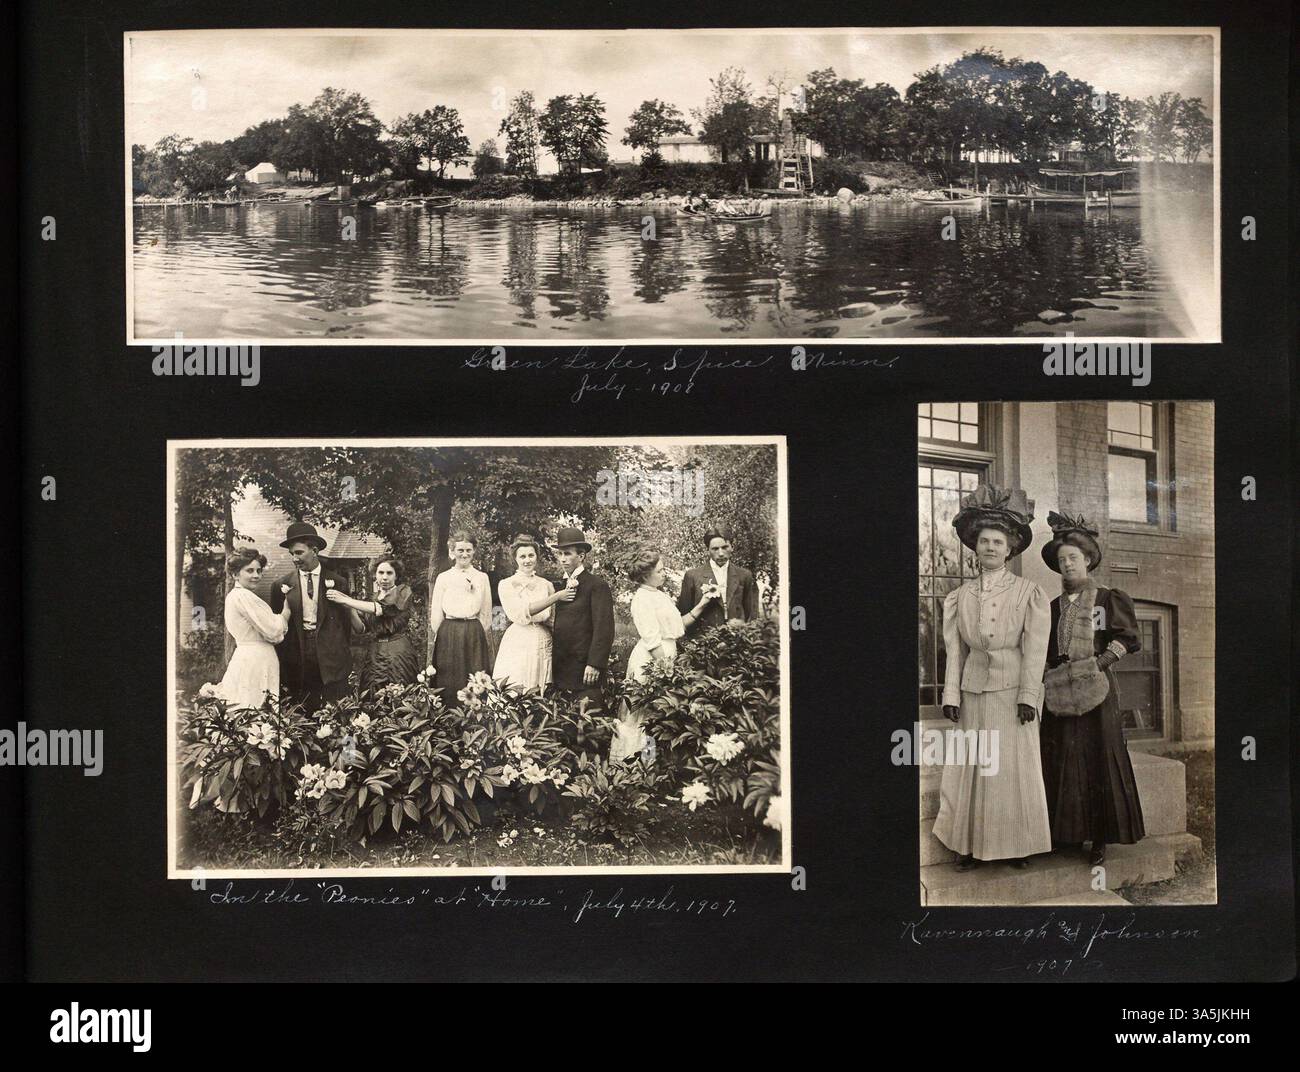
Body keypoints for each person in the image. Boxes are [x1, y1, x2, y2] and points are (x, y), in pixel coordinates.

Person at [932, 485, 1053, 871]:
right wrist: (951, 694)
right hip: (973, 690)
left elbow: (1035, 651)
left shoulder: (1028, 593)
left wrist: (1028, 697)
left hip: (1012, 690)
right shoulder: (959, 597)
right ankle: (967, 845)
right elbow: (956, 650)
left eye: (997, 542)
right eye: (984, 541)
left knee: (1010, 767)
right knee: (974, 766)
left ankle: (1016, 846)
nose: (990, 548)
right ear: (975, 546)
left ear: (1010, 548)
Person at [1038, 512, 1146, 866]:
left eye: (1073, 557)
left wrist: (1096, 666)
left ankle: (1100, 838)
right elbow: (1047, 651)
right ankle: (1068, 834)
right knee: (1063, 758)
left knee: (1097, 759)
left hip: (1097, 691)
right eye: (1062, 560)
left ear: (1086, 559)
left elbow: (1127, 639)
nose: (1068, 564)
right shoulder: (1052, 608)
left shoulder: (1105, 598)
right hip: (1060, 692)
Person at [611, 548, 721, 763]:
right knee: (641, 718)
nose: (664, 574)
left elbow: (678, 625)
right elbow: (652, 641)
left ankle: (650, 767)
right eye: (659, 571)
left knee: (655, 719)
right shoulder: (641, 599)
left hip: (665, 658)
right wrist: (669, 675)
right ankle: (631, 770)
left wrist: (704, 602)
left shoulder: (659, 595)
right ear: (645, 574)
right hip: (651, 662)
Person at [269, 523, 354, 713]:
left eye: (299, 552)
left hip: (330, 653)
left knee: (334, 707)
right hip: (297, 654)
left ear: (314, 550)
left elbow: (345, 626)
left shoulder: (338, 582)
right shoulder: (280, 586)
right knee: (303, 706)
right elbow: (278, 626)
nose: (294, 558)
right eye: (292, 554)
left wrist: (337, 650)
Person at [202, 549, 291, 709]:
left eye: (259, 570)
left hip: (248, 656)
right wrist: (286, 611)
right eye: (249, 571)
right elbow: (274, 631)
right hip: (255, 659)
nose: (256, 575)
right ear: (235, 574)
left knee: (246, 704)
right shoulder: (243, 596)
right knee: (252, 705)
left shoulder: (236, 596)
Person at [324, 556, 419, 693]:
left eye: (389, 573)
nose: (384, 577)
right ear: (375, 575)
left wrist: (347, 600)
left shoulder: (403, 592)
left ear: (396, 575)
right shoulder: (371, 598)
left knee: (401, 693)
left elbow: (380, 608)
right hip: (376, 652)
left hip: (398, 652)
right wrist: (348, 607)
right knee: (372, 695)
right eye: (381, 573)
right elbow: (360, 629)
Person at [550, 527, 614, 714]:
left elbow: (604, 629)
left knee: (588, 725)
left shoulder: (596, 586)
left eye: (567, 554)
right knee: (565, 724)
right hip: (562, 668)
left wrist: (594, 663)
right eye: (560, 554)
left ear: (582, 556)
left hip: (585, 669)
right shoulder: (560, 586)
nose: (562, 559)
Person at [428, 533, 494, 705]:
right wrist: (444, 633)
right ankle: (448, 717)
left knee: (475, 673)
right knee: (449, 674)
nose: (464, 554)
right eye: (460, 550)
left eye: (468, 550)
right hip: (449, 631)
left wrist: (477, 630)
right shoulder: (444, 577)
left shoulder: (482, 577)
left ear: (474, 551)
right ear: (452, 551)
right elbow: (436, 611)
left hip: (473, 630)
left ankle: (475, 714)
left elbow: (486, 611)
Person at [492, 535, 561, 692]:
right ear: (515, 559)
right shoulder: (506, 585)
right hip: (518, 638)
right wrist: (556, 597)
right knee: (518, 681)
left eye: (531, 555)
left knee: (541, 683)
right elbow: (519, 612)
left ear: (536, 556)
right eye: (522, 556)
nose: (527, 560)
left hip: (543, 638)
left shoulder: (546, 585)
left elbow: (552, 619)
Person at [677, 527, 761, 638]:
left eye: (725, 547)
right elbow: (684, 614)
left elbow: (750, 612)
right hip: (704, 642)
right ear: (708, 550)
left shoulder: (744, 575)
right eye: (715, 549)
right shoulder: (692, 576)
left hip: (736, 640)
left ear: (732, 547)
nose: (721, 553)